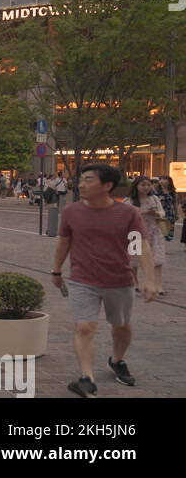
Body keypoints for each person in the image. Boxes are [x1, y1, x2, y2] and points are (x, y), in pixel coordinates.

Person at [51, 164, 157, 398]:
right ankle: (86, 378)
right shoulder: (71, 211)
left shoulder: (127, 214)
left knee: (121, 326)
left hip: (119, 280)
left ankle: (117, 360)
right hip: (82, 279)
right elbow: (64, 242)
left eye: (88, 180)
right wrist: (56, 270)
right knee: (84, 327)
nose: (81, 184)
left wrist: (149, 279)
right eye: (81, 179)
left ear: (107, 185)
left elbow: (139, 245)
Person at [126, 176, 167, 296]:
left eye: (148, 185)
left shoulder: (154, 199)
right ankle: (135, 283)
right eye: (143, 185)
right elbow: (126, 216)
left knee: (157, 259)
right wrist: (143, 212)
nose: (146, 188)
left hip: (154, 232)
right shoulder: (129, 200)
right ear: (136, 186)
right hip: (135, 233)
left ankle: (157, 285)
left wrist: (156, 213)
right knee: (133, 259)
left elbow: (162, 213)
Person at [155, 176, 179, 243]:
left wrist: (176, 214)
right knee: (160, 231)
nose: (162, 181)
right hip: (160, 213)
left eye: (164, 179)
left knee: (168, 231)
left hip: (170, 213)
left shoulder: (172, 191)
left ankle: (164, 246)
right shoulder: (156, 191)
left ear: (169, 181)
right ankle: (160, 246)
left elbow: (175, 203)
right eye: (161, 179)